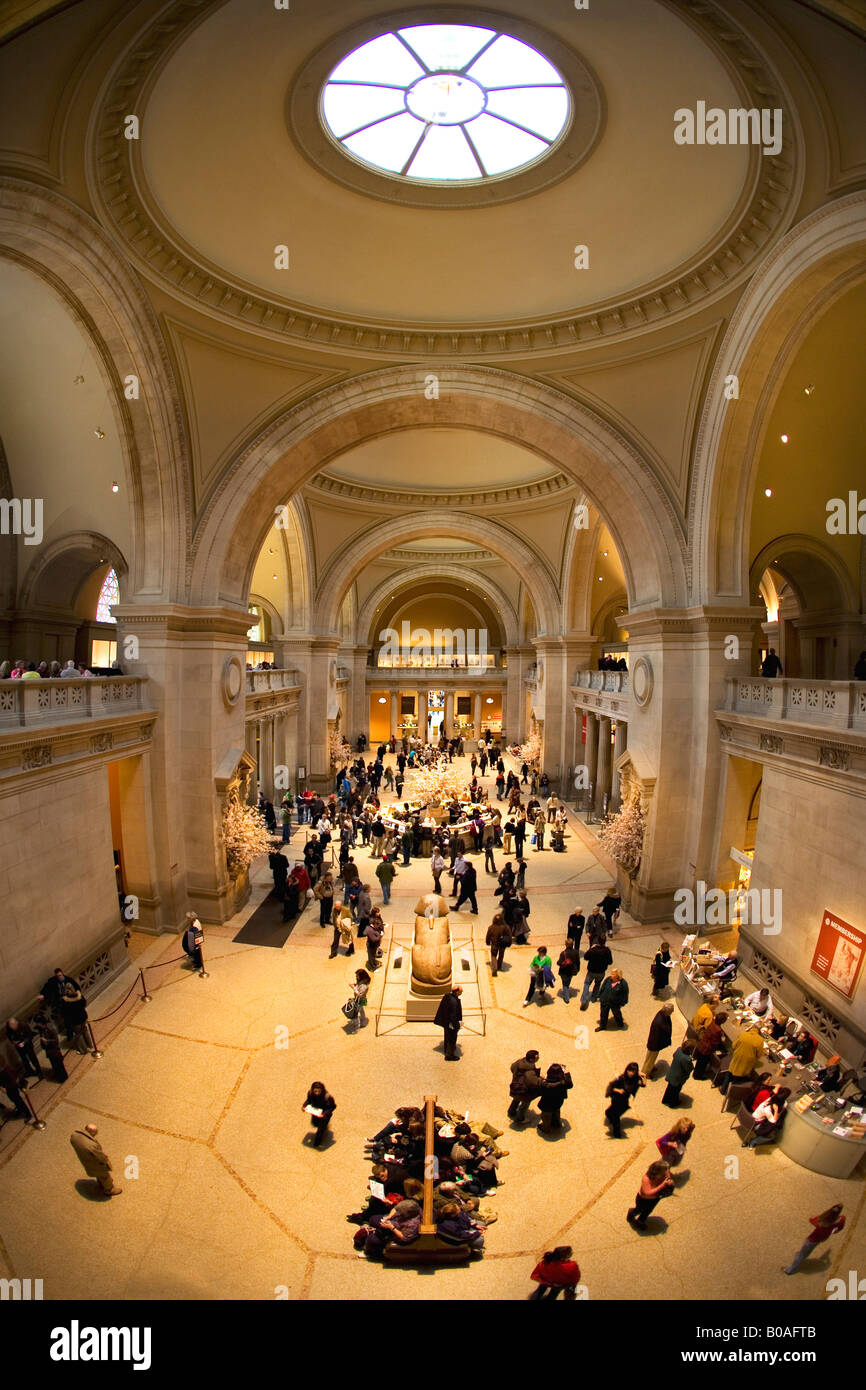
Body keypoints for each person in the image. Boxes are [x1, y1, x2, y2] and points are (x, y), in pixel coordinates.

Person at [784, 1204, 845, 1275]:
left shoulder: (823, 1221)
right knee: (808, 1250)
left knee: (802, 1254)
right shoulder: (841, 1220)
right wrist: (834, 1231)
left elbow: (812, 1221)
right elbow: (839, 1227)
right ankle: (803, 1255)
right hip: (822, 1238)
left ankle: (791, 1270)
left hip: (812, 1239)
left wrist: (812, 1218)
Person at [70, 1123, 122, 1196]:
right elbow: (101, 1157)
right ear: (92, 1132)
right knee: (105, 1176)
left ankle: (100, 1182)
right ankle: (109, 1190)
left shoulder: (75, 1135)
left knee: (97, 1173)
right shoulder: (91, 1145)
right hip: (94, 1162)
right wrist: (106, 1160)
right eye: (95, 1133)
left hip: (85, 1159)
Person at [718, 1023, 765, 1094]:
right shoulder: (760, 1040)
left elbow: (733, 1045)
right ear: (759, 1031)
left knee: (730, 1072)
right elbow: (759, 1055)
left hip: (737, 1058)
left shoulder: (743, 1034)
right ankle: (733, 1091)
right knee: (740, 1076)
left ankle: (723, 1089)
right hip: (747, 1062)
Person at [626, 1161, 675, 1229]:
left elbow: (668, 1177)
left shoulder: (664, 1173)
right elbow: (648, 1193)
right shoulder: (646, 1179)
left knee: (648, 1210)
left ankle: (641, 1220)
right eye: (664, 1173)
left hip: (655, 1198)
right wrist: (662, 1185)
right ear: (657, 1172)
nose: (666, 1174)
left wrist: (670, 1182)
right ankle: (631, 1213)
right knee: (639, 1210)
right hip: (643, 1199)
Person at [604, 1062, 645, 1138]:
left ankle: (615, 1129)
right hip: (616, 1100)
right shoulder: (621, 1078)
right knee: (612, 1115)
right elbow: (611, 1085)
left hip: (624, 1102)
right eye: (630, 1071)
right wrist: (617, 1090)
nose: (631, 1073)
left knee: (613, 1114)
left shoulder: (635, 1080)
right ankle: (616, 1131)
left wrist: (644, 1077)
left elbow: (643, 1084)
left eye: (633, 1072)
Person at [692, 1010, 729, 1080]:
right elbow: (715, 1042)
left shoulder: (712, 1022)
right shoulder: (718, 1030)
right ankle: (698, 1076)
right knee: (702, 1063)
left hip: (702, 1044)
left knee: (699, 1062)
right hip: (706, 1049)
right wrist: (722, 1040)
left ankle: (696, 1073)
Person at [508, 1050, 542, 1122]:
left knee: (516, 1099)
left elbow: (512, 1067)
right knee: (524, 1105)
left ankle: (511, 1111)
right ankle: (520, 1118)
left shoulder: (520, 1062)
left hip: (516, 1086)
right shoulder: (530, 1071)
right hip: (525, 1091)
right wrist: (540, 1079)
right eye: (537, 1057)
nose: (538, 1058)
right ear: (531, 1059)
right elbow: (533, 1082)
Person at [538, 1063, 573, 1133]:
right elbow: (570, 1084)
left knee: (546, 1118)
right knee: (556, 1112)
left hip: (546, 1104)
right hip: (558, 1102)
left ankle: (545, 1129)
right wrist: (567, 1073)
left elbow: (539, 1089)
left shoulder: (544, 1084)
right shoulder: (563, 1083)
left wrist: (543, 1078)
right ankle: (556, 1124)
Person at [643, 1003, 674, 1078]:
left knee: (650, 1058)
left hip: (656, 1043)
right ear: (667, 1012)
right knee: (650, 1058)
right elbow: (655, 1036)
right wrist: (655, 1047)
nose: (671, 1013)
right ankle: (646, 1073)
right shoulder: (659, 1022)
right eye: (671, 1011)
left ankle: (650, 1068)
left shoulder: (662, 1015)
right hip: (654, 1045)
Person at [580, 940, 613, 1008]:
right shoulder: (607, 951)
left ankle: (584, 1000)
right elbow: (610, 962)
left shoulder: (593, 950)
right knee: (597, 984)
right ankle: (594, 998)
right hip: (601, 972)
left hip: (591, 971)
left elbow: (586, 957)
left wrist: (591, 948)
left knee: (587, 984)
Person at [302, 1082, 336, 1147]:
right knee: (314, 1123)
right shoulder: (310, 1094)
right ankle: (324, 1129)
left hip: (325, 1115)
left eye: (319, 1091)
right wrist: (304, 1106)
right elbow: (308, 1101)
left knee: (320, 1129)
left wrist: (324, 1114)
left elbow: (333, 1107)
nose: (317, 1093)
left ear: (322, 1090)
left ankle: (317, 1143)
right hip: (316, 1112)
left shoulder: (328, 1097)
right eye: (315, 1091)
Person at [662, 1042, 695, 1107]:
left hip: (672, 1073)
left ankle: (665, 1100)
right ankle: (672, 1103)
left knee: (669, 1088)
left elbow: (674, 1055)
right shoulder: (686, 1059)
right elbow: (689, 1068)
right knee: (675, 1091)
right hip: (678, 1078)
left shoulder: (679, 1050)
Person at [434, 985, 463, 1060]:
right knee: (452, 1038)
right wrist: (456, 1025)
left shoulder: (447, 996)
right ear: (456, 992)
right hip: (451, 1023)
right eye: (460, 991)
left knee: (447, 1036)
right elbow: (453, 1015)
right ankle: (450, 1055)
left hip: (446, 1022)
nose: (461, 993)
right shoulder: (454, 1002)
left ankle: (447, 1049)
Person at [486, 912, 512, 976]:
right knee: (501, 955)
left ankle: (494, 969)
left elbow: (488, 936)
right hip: (502, 944)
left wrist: (488, 942)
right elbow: (509, 936)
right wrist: (509, 943)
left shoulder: (491, 927)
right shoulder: (506, 927)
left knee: (493, 956)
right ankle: (499, 967)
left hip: (494, 944)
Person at [346, 969, 370, 1033]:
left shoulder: (364, 986)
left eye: (357, 976)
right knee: (361, 1011)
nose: (356, 977)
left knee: (355, 1015)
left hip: (360, 1001)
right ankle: (363, 1020)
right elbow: (358, 987)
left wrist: (353, 987)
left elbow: (359, 995)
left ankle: (356, 1028)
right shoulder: (362, 982)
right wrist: (355, 984)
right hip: (360, 1000)